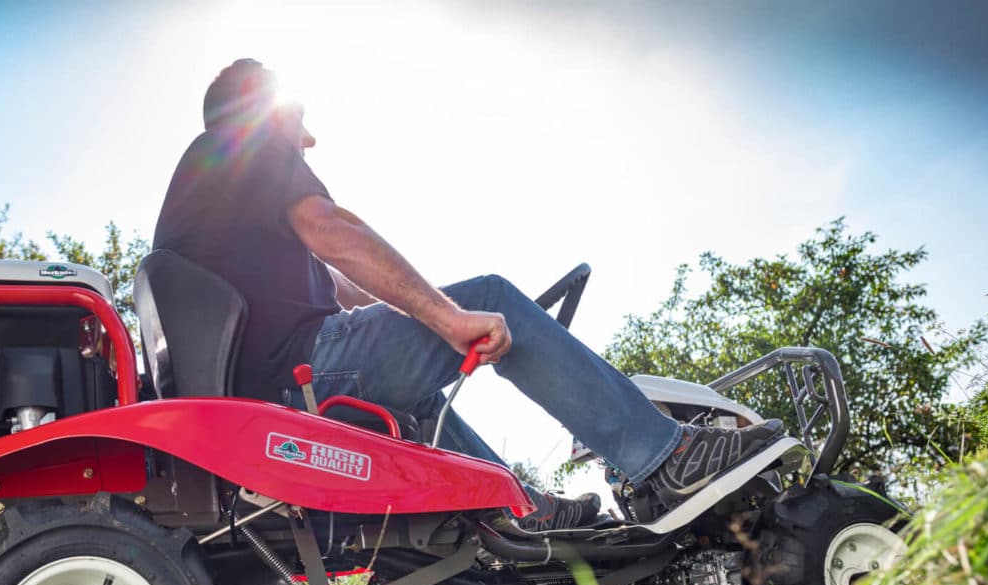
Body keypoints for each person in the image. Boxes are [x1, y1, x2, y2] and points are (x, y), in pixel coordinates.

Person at [152, 59, 783, 531]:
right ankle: (665, 459)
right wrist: (449, 318)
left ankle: (525, 515)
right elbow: (331, 230)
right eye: (300, 123)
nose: (308, 141)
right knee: (492, 298)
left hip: (275, 378)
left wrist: (407, 320)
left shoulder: (209, 192)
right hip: (299, 371)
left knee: (419, 396)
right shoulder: (246, 140)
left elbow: (335, 283)